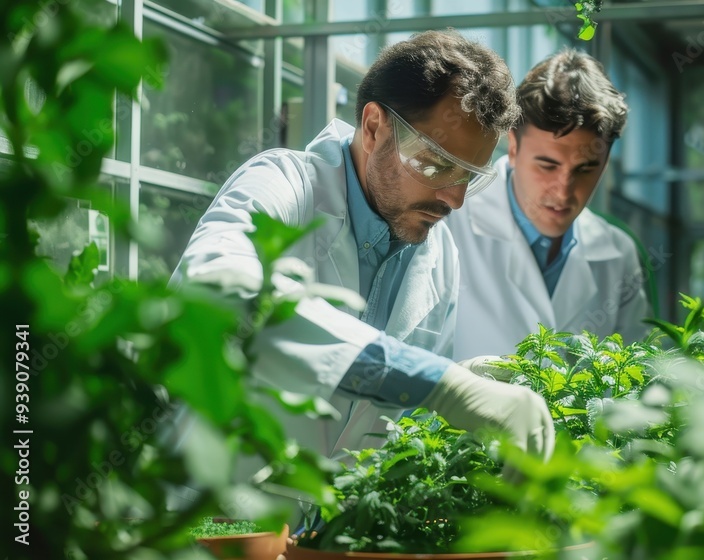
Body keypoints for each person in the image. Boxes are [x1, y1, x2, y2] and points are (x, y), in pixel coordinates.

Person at [169, 31, 554, 484]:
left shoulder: (440, 255)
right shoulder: (283, 183)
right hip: (212, 508)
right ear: (373, 127)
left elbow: (395, 431)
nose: (454, 200)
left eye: (469, 177)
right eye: (436, 164)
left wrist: (452, 388)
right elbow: (214, 288)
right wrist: (437, 383)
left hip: (335, 522)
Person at [446, 49, 651, 361]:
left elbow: (636, 370)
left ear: (606, 161)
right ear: (513, 147)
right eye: (547, 165)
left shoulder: (618, 254)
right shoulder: (448, 227)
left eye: (585, 169)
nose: (563, 191)